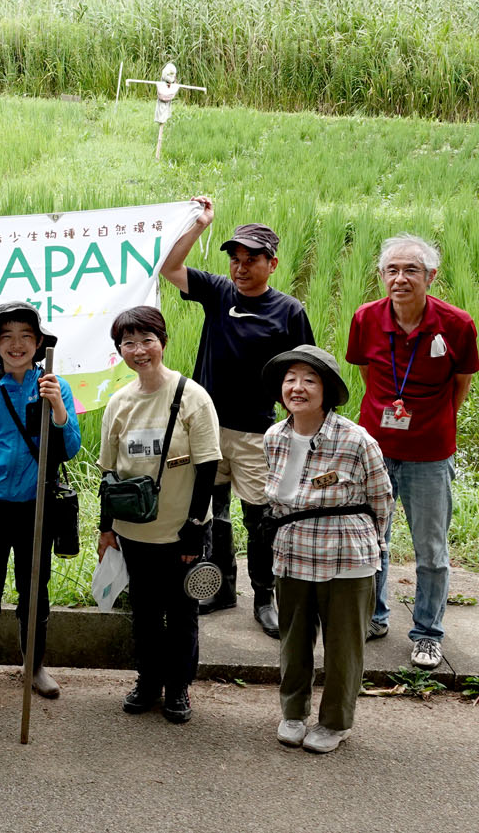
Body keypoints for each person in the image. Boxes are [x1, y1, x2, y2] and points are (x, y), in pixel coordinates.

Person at [160, 197, 314, 634]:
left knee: (259, 517)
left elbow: (303, 373)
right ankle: (221, 587)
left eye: (252, 260)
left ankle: (264, 598)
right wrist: (199, 225)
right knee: (212, 513)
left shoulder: (288, 311)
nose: (241, 268)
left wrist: (299, 430)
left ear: (273, 264)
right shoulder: (218, 292)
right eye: (236, 260)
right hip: (206, 427)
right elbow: (169, 268)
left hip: (255, 433)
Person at [347, 234, 479, 669]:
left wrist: (430, 421)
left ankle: (427, 632)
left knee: (431, 549)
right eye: (392, 270)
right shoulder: (365, 318)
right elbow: (368, 374)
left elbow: (460, 383)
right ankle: (375, 616)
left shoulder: (457, 324)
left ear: (431, 276)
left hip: (430, 452)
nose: (400, 279)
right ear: (381, 275)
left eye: (411, 270)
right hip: (375, 451)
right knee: (371, 540)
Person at [261, 346, 393, 754]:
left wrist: (372, 548)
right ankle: (294, 713)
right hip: (293, 552)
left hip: (346, 556)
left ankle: (335, 722)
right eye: (290, 379)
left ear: (327, 390)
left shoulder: (356, 439)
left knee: (343, 647)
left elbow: (381, 499)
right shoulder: (274, 438)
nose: (297, 388)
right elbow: (274, 499)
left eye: (309, 380)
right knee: (293, 640)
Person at [0, 302, 81, 698]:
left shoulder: (54, 385)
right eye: (7, 337)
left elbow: (69, 447)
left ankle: (35, 666)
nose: (17, 344)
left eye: (25, 336)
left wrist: (57, 405)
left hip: (36, 507)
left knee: (34, 589)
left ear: (38, 342)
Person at [97, 307, 221, 724]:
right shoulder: (119, 402)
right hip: (134, 533)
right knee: (145, 614)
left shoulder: (192, 397)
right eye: (128, 343)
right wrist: (105, 529)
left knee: (183, 615)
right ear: (120, 352)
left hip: (182, 532)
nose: (139, 350)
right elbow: (110, 474)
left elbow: (207, 467)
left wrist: (193, 529)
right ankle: (148, 682)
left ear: (162, 342)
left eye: (146, 340)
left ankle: (179, 688)